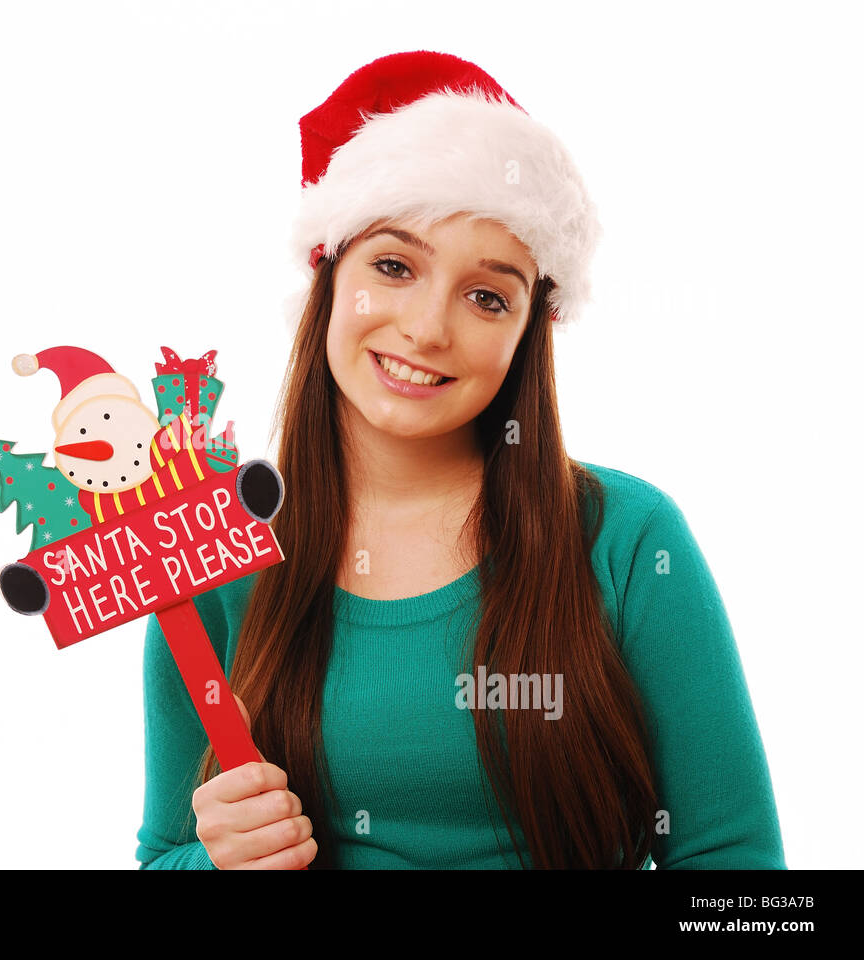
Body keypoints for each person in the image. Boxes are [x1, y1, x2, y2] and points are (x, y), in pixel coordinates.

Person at [135, 50, 786, 869]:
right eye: (394, 266)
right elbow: (162, 855)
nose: (429, 328)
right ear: (328, 278)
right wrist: (219, 861)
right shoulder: (211, 560)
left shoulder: (627, 541)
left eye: (488, 295)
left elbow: (741, 876)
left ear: (528, 332)